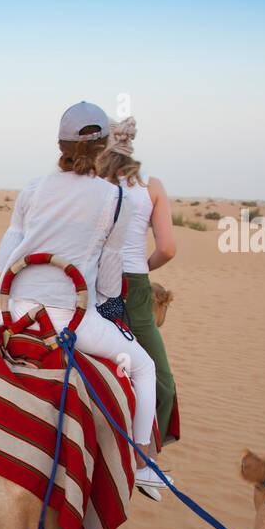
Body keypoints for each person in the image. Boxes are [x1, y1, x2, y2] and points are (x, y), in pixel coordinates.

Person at [0, 102, 168, 495]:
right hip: (71, 317)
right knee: (144, 368)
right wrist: (106, 302)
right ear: (104, 146)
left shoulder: (33, 188)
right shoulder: (114, 198)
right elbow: (107, 278)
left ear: (60, 144)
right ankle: (143, 466)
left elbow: (5, 260)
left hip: (14, 310)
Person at [97, 118, 178, 445]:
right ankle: (147, 455)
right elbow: (168, 249)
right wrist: (142, 268)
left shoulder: (93, 183)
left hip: (91, 283)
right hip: (134, 288)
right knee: (160, 378)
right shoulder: (151, 186)